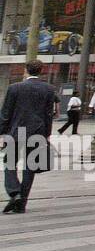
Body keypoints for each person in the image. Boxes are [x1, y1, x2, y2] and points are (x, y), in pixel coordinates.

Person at [1, 62, 58, 214]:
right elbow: (48, 114)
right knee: (30, 166)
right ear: (41, 71)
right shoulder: (49, 89)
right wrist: (47, 133)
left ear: (26, 71)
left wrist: (2, 131)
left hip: (17, 131)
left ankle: (14, 192)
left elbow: (6, 112)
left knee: (9, 162)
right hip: (38, 131)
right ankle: (22, 202)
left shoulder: (15, 88)